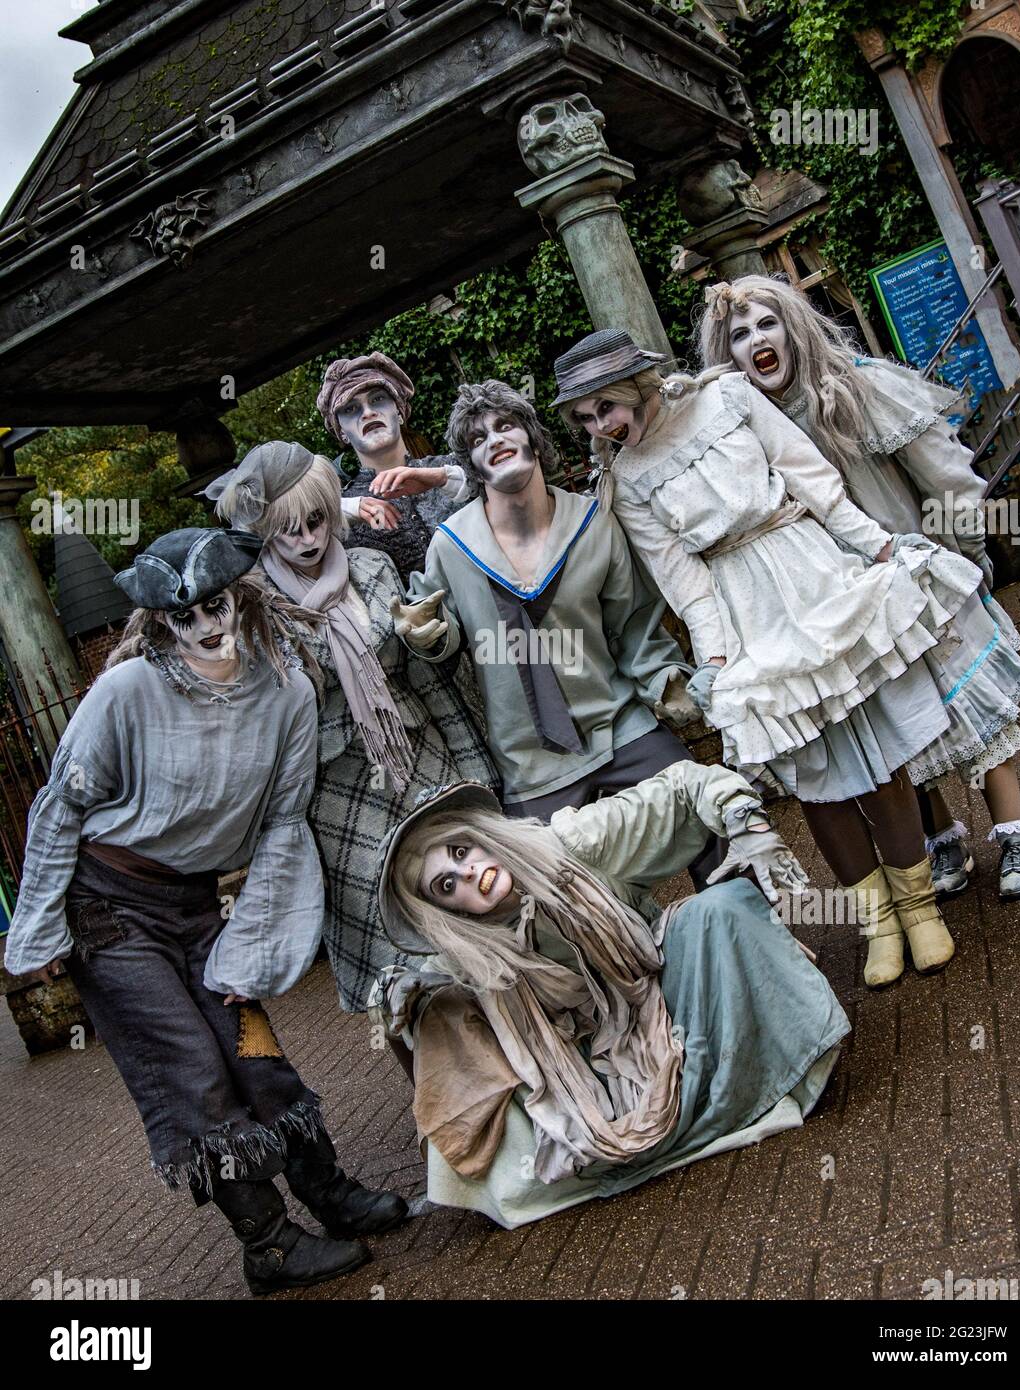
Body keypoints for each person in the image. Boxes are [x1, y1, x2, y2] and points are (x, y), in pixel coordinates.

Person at [3, 528, 407, 1296]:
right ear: (160, 621)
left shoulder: (285, 692)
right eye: (182, 615)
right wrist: (41, 929)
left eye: (214, 605)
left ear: (241, 598)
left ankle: (330, 1194)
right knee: (190, 1068)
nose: (204, 626)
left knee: (252, 1048)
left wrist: (251, 945)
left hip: (193, 904)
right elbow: (61, 805)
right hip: (108, 907)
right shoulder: (126, 692)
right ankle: (269, 1245)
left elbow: (285, 824)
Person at [554, 328, 985, 989]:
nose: (601, 427)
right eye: (585, 419)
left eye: (604, 408)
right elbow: (681, 579)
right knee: (811, 774)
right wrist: (718, 658)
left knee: (878, 753)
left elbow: (812, 476)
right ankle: (876, 922)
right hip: (742, 609)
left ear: (633, 385)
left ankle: (919, 908)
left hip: (810, 569)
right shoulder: (628, 477)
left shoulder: (726, 397)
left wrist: (873, 547)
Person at [370, 760, 847, 1229]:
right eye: (447, 885)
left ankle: (778, 1070)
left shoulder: (572, 844)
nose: (469, 874)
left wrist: (744, 819)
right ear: (444, 910)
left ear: (482, 836)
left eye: (460, 851)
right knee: (442, 1017)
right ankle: (512, 1183)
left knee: (721, 909)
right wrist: (404, 1004)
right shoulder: (462, 955)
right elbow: (424, 1017)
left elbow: (680, 790)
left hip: (660, 1001)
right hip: (573, 1078)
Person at [697, 275, 1020, 900]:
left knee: (972, 709)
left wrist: (963, 554)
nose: (756, 342)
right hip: (850, 603)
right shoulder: (741, 432)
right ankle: (943, 841)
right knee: (905, 720)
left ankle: (1015, 828)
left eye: (767, 324)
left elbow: (945, 476)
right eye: (739, 335)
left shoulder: (858, 385)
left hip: (919, 573)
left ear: (794, 326)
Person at [388, 379, 721, 888]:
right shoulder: (451, 547)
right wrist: (426, 632)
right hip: (527, 757)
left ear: (532, 437)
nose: (494, 439)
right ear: (473, 466)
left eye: (505, 425)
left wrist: (663, 679)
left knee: (707, 811)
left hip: (615, 724)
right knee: (544, 895)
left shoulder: (593, 524)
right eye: (478, 439)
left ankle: (746, 939)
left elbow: (632, 624)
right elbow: (443, 633)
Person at [212, 441, 497, 1013]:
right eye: (286, 530)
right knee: (392, 961)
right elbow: (261, 731)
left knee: (472, 913)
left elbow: (430, 679)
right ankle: (438, 1082)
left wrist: (478, 768)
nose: (307, 539)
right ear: (265, 532)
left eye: (316, 520)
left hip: (425, 763)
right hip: (338, 796)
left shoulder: (374, 567)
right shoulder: (252, 614)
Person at [316, 351, 476, 583]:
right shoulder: (343, 509)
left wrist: (442, 477)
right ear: (342, 432)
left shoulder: (450, 467)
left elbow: (501, 482)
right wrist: (345, 508)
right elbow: (283, 526)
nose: (368, 413)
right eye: (351, 409)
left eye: (377, 399)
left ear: (399, 412)